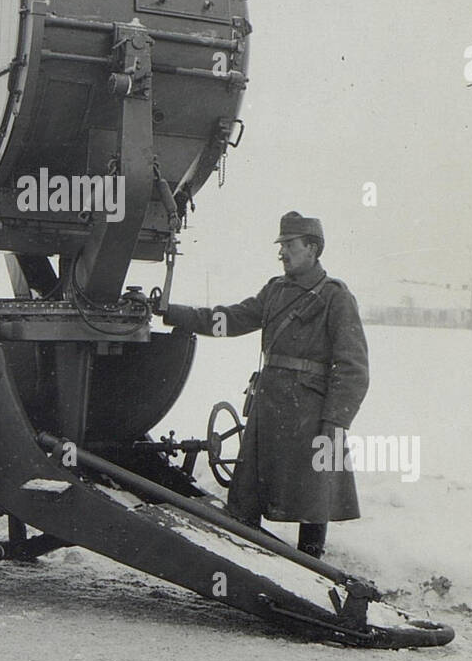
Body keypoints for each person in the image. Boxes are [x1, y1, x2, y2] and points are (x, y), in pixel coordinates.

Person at [158, 212, 369, 559]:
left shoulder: (336, 297)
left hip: (311, 412)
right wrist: (174, 313)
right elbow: (232, 318)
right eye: (281, 245)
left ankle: (312, 565)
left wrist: (335, 422)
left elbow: (354, 368)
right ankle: (246, 560)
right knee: (248, 492)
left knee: (313, 497)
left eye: (289, 245)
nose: (282, 252)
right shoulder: (275, 290)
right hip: (269, 405)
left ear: (313, 249)